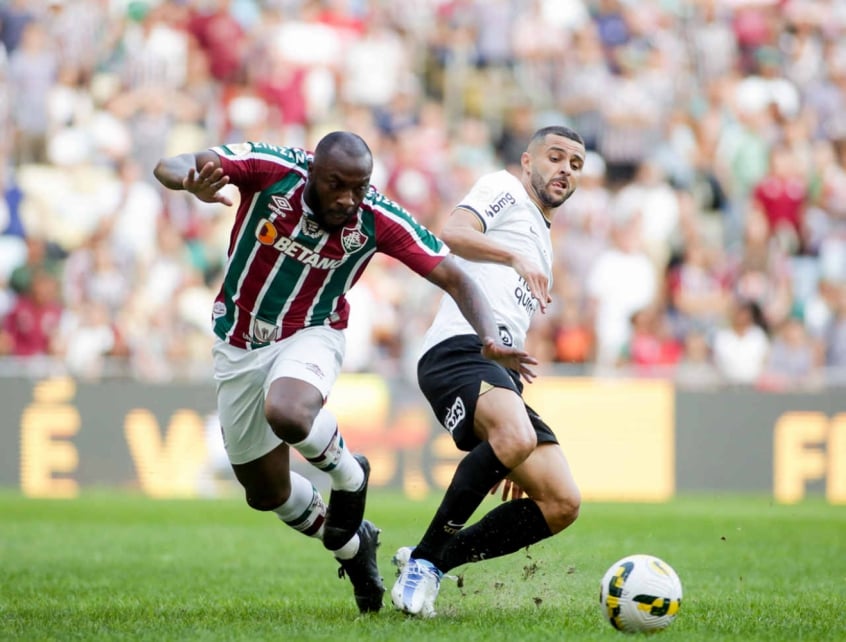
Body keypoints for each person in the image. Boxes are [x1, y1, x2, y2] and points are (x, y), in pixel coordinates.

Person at [152, 131, 536, 614]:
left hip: (312, 332)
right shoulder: (272, 170)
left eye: (359, 187)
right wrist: (190, 181)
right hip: (238, 343)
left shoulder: (375, 217)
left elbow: (455, 275)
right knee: (265, 491)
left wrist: (490, 337)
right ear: (313, 170)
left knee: (288, 413)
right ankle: (357, 547)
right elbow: (173, 162)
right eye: (337, 185)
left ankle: (350, 474)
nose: (348, 199)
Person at [391, 125, 586, 617]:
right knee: (516, 437)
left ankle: (429, 557)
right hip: (456, 350)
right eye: (556, 157)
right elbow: (451, 234)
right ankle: (423, 569)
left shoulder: (544, 241)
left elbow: (511, 328)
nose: (565, 169)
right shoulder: (503, 189)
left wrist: (505, 429)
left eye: (575, 164)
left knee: (561, 502)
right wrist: (512, 254)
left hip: (498, 370)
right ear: (527, 161)